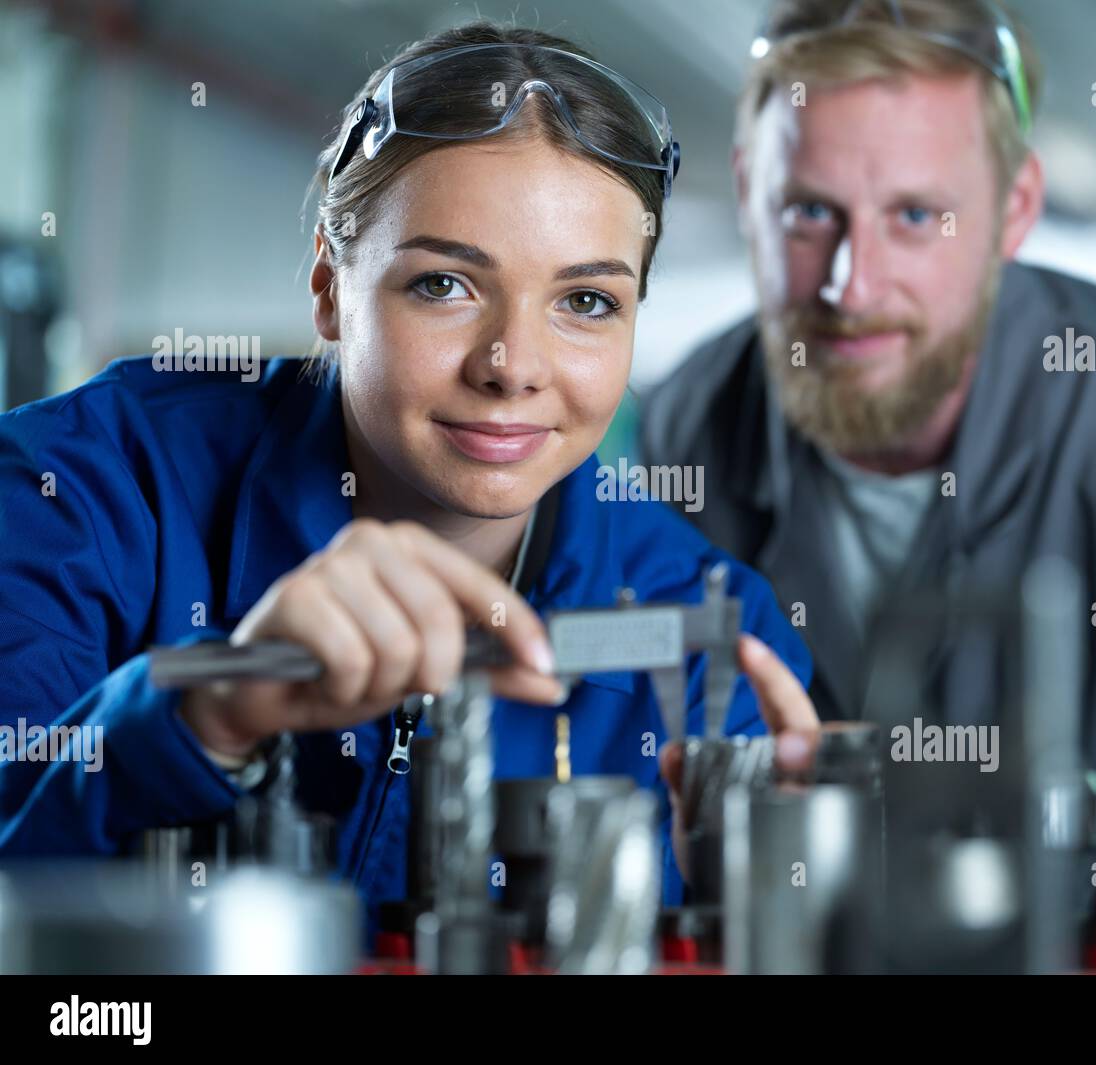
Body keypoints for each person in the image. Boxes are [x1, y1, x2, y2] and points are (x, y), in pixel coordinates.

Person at [0, 22, 818, 924]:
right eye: (444, 284)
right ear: (327, 284)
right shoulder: (75, 496)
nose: (513, 364)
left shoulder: (711, 638)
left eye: (586, 301)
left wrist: (776, 900)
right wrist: (196, 719)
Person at [640, 0, 1096, 901]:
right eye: (808, 212)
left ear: (1014, 211)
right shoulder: (689, 428)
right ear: (749, 187)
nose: (850, 284)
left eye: (915, 215)